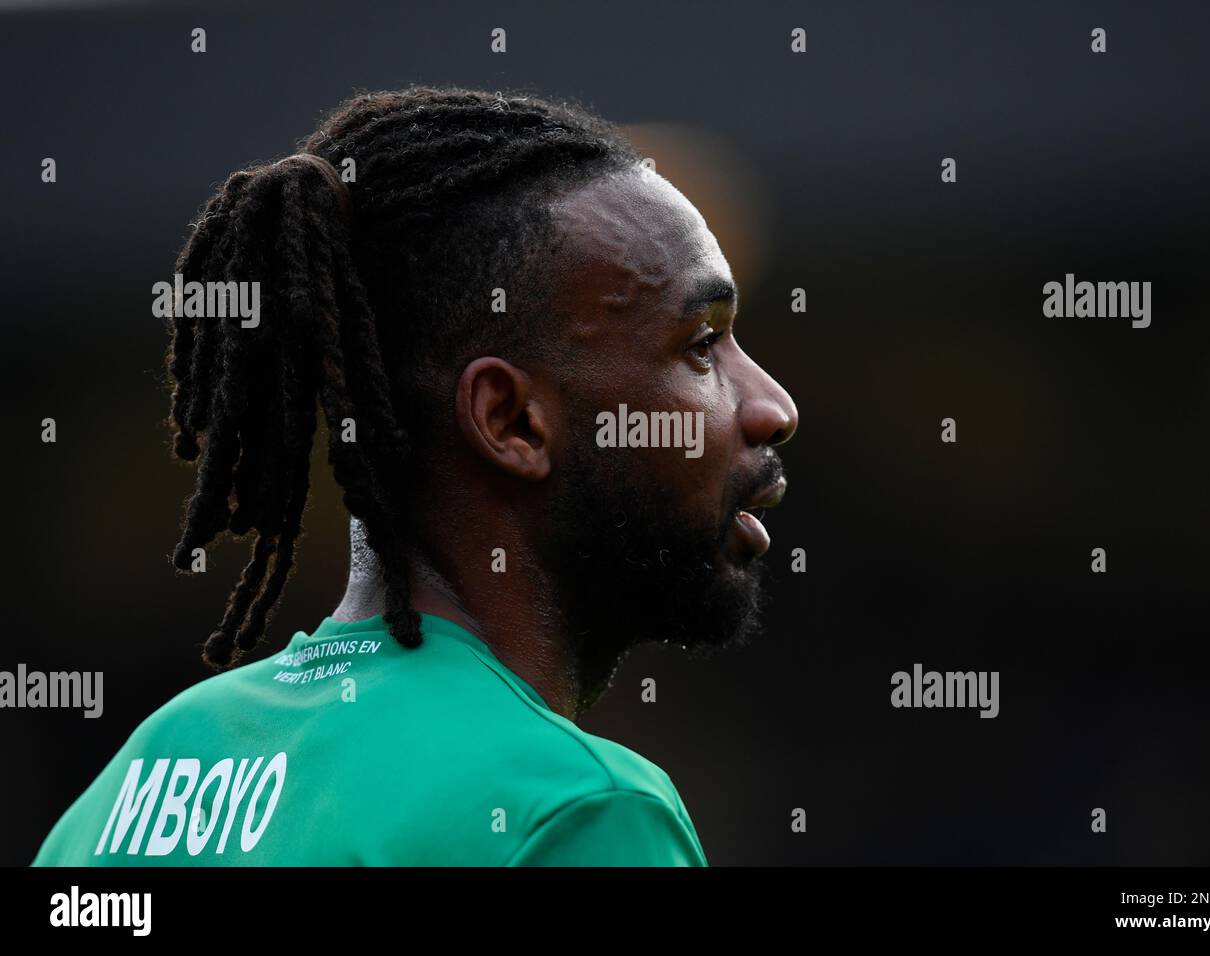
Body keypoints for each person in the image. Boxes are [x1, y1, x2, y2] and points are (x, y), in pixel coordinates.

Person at [33, 86, 798, 866]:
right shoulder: (572, 812)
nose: (773, 406)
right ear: (510, 421)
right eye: (702, 346)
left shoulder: (139, 782)